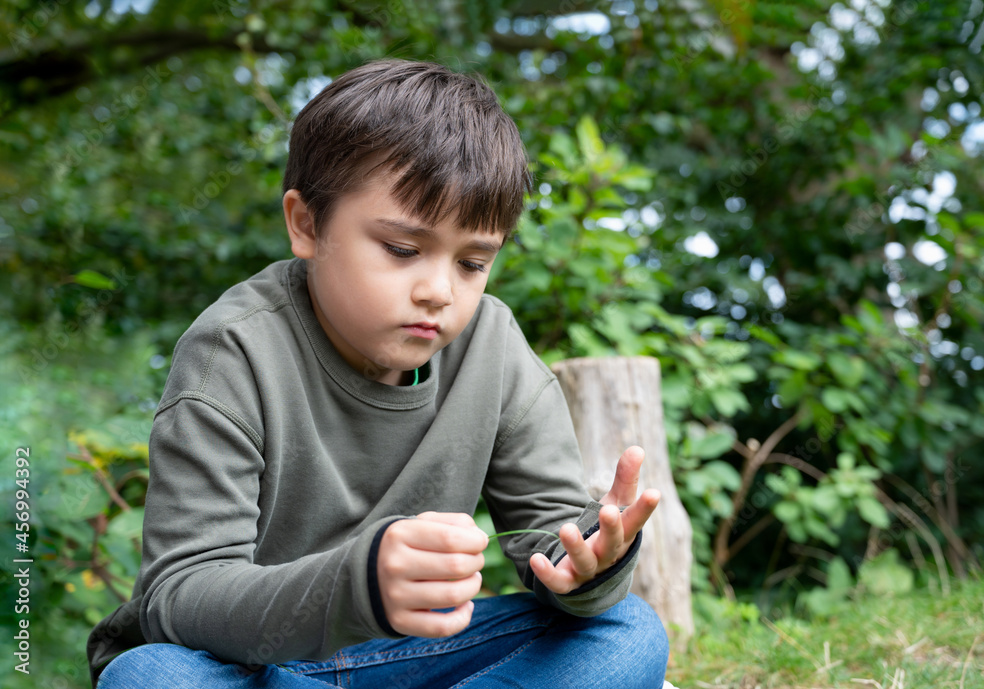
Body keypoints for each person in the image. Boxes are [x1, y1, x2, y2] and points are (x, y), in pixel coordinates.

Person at [87, 58, 669, 688]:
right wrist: (356, 584)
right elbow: (181, 593)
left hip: (410, 660)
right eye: (402, 250)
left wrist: (588, 563)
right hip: (252, 666)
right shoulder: (233, 352)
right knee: (149, 677)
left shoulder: (493, 346)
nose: (439, 291)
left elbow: (549, 538)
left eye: (473, 263)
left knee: (624, 632)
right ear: (306, 224)